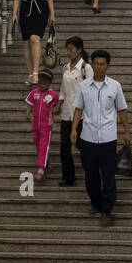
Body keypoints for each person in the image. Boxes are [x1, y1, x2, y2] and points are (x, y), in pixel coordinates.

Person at [70, 49, 130, 225]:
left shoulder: (115, 86)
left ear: (108, 66)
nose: (99, 67)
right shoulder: (84, 86)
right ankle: (96, 203)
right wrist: (74, 129)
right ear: (92, 65)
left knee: (108, 176)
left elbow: (122, 110)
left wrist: (127, 131)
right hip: (87, 137)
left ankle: (107, 209)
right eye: (96, 63)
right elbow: (78, 109)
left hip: (108, 138)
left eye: (102, 64)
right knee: (90, 176)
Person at [12, 0, 55, 86]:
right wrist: (14, 12)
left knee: (34, 38)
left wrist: (52, 14)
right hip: (25, 11)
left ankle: (36, 72)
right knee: (26, 43)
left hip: (41, 10)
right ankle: (30, 73)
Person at [58, 38, 92, 186]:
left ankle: (91, 172)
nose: (69, 52)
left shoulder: (86, 68)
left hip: (82, 114)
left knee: (82, 145)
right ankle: (68, 177)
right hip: (67, 113)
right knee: (64, 146)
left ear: (79, 50)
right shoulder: (66, 67)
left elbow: (90, 90)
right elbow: (63, 89)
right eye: (67, 49)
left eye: (71, 49)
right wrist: (59, 102)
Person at [24, 71, 59, 181]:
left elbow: (57, 108)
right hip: (36, 125)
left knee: (44, 146)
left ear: (49, 84)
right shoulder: (34, 92)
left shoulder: (53, 95)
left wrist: (57, 110)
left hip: (46, 126)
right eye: (40, 83)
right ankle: (47, 163)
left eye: (45, 83)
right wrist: (27, 114)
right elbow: (30, 105)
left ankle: (41, 169)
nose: (42, 85)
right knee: (37, 143)